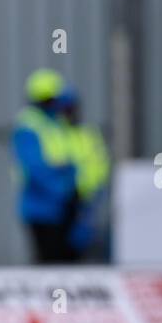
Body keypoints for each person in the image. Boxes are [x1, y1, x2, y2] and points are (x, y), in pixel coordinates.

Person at [12, 68, 78, 263]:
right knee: (49, 259)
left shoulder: (54, 123)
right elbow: (35, 168)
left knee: (63, 258)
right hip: (42, 205)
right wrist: (62, 189)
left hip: (60, 204)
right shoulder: (30, 126)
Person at [60, 86, 110, 258]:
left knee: (84, 239)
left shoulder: (88, 133)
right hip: (63, 198)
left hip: (87, 197)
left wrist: (92, 189)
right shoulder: (57, 134)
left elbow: (100, 164)